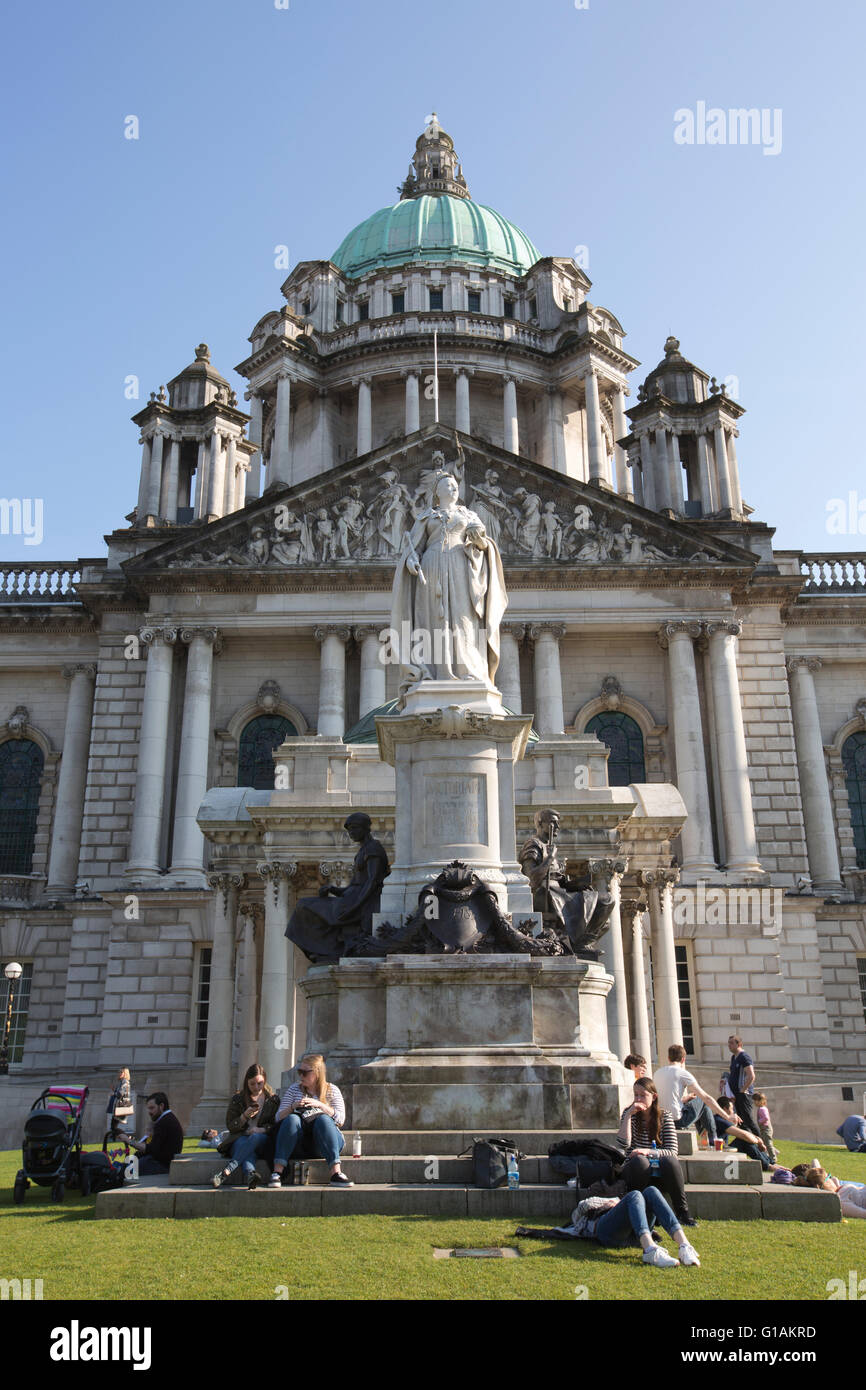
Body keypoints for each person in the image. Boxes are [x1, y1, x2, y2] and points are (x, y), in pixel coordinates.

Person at [554, 1187, 701, 1268]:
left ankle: (684, 1246)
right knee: (635, 1195)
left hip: (633, 1233)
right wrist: (609, 1204)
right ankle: (649, 1250)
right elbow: (578, 1214)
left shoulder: (625, 1197)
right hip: (605, 1230)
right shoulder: (596, 1197)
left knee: (651, 1191)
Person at [618, 1077, 696, 1227]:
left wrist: (647, 1151)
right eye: (636, 1095)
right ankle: (640, 1211)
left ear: (654, 1097)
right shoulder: (629, 1115)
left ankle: (682, 1212)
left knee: (670, 1161)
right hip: (636, 1170)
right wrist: (628, 1116)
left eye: (643, 1095)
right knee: (640, 1161)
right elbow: (623, 1145)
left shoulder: (665, 1116)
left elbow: (672, 1151)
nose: (638, 1099)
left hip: (659, 1170)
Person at [269, 1054, 352, 1188]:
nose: (301, 1076)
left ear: (317, 1073)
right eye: (299, 1072)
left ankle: (336, 1173)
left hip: (325, 1142)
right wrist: (293, 1107)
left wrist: (320, 1105)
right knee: (292, 1118)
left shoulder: (332, 1090)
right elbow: (278, 1117)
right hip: (299, 1142)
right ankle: (277, 1172)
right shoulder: (294, 1089)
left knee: (323, 1119)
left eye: (305, 1073)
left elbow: (341, 1119)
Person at [213, 1064, 281, 1190]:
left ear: (265, 1080)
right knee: (245, 1149)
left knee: (255, 1137)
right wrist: (244, 1116)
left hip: (262, 1139)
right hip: (240, 1138)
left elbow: (276, 1125)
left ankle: (227, 1171)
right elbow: (231, 1126)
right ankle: (251, 1175)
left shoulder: (273, 1100)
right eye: (252, 1084)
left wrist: (262, 1129)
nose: (256, 1087)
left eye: (259, 1083)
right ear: (246, 1083)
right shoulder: (238, 1099)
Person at [653, 1044, 727, 1149]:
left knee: (698, 1103)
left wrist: (686, 1098)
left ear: (668, 1058)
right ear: (683, 1059)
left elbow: (667, 1098)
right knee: (701, 1100)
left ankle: (705, 1136)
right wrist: (727, 1117)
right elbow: (706, 1098)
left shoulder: (657, 1073)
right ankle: (713, 1138)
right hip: (677, 1121)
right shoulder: (682, 1073)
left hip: (661, 1119)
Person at [130, 1092, 184, 1175]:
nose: (149, 1112)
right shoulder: (166, 1119)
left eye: (152, 1108)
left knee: (129, 1169)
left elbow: (151, 1149)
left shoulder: (164, 1122)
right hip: (162, 1162)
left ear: (161, 1106)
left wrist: (129, 1141)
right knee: (131, 1162)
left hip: (162, 1165)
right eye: (148, 1108)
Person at [714, 1096, 773, 1170]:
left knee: (748, 1139)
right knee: (744, 1140)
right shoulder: (720, 1120)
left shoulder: (719, 1119)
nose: (733, 1112)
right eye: (732, 1109)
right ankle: (768, 1165)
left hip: (722, 1151)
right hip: (719, 1154)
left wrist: (756, 1138)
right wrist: (759, 1141)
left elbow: (743, 1133)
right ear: (725, 1109)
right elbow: (744, 1135)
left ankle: (770, 1163)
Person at [727, 1035, 761, 1136]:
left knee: (748, 1119)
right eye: (728, 1043)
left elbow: (751, 1076)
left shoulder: (744, 1057)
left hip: (744, 1094)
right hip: (736, 1094)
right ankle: (749, 1143)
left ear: (739, 1044)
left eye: (732, 1043)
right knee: (741, 1121)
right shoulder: (734, 1057)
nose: (729, 1045)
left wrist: (743, 1090)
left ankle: (762, 1143)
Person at [753, 1090, 778, 1163]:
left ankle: (773, 1158)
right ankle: (774, 1152)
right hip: (764, 1129)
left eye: (755, 1101)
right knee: (765, 1142)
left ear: (760, 1101)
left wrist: (760, 1121)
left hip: (766, 1129)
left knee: (768, 1143)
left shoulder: (762, 1109)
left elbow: (766, 1118)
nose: (754, 1102)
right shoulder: (762, 1108)